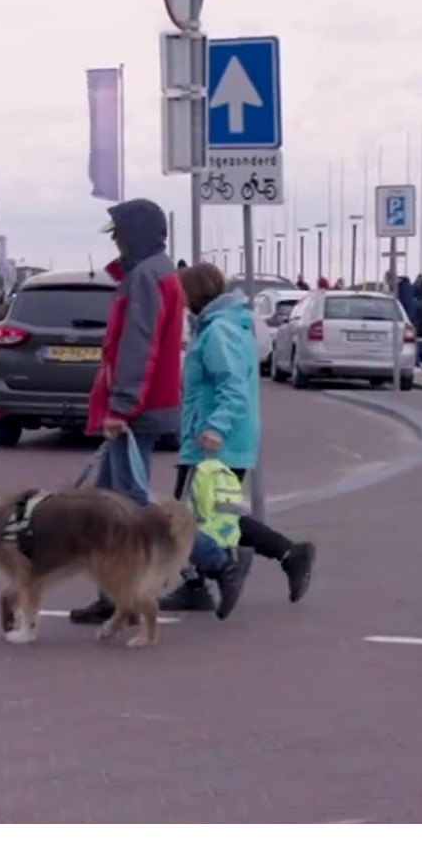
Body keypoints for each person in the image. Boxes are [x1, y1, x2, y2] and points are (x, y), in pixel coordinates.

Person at [70, 200, 249, 625]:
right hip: (139, 407)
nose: (114, 239)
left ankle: (216, 559)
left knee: (131, 508)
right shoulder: (152, 274)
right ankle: (115, 594)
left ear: (135, 232)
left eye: (117, 231)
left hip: (137, 411)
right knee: (105, 507)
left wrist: (121, 407)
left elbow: (140, 346)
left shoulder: (147, 278)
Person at [151, 263, 317, 614]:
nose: (179, 304)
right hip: (215, 437)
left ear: (195, 294)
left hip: (213, 442)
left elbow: (233, 387)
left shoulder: (218, 332)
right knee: (205, 517)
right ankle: (199, 586)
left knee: (186, 519)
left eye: (182, 296)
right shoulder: (222, 326)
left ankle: (287, 553)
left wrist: (215, 427)